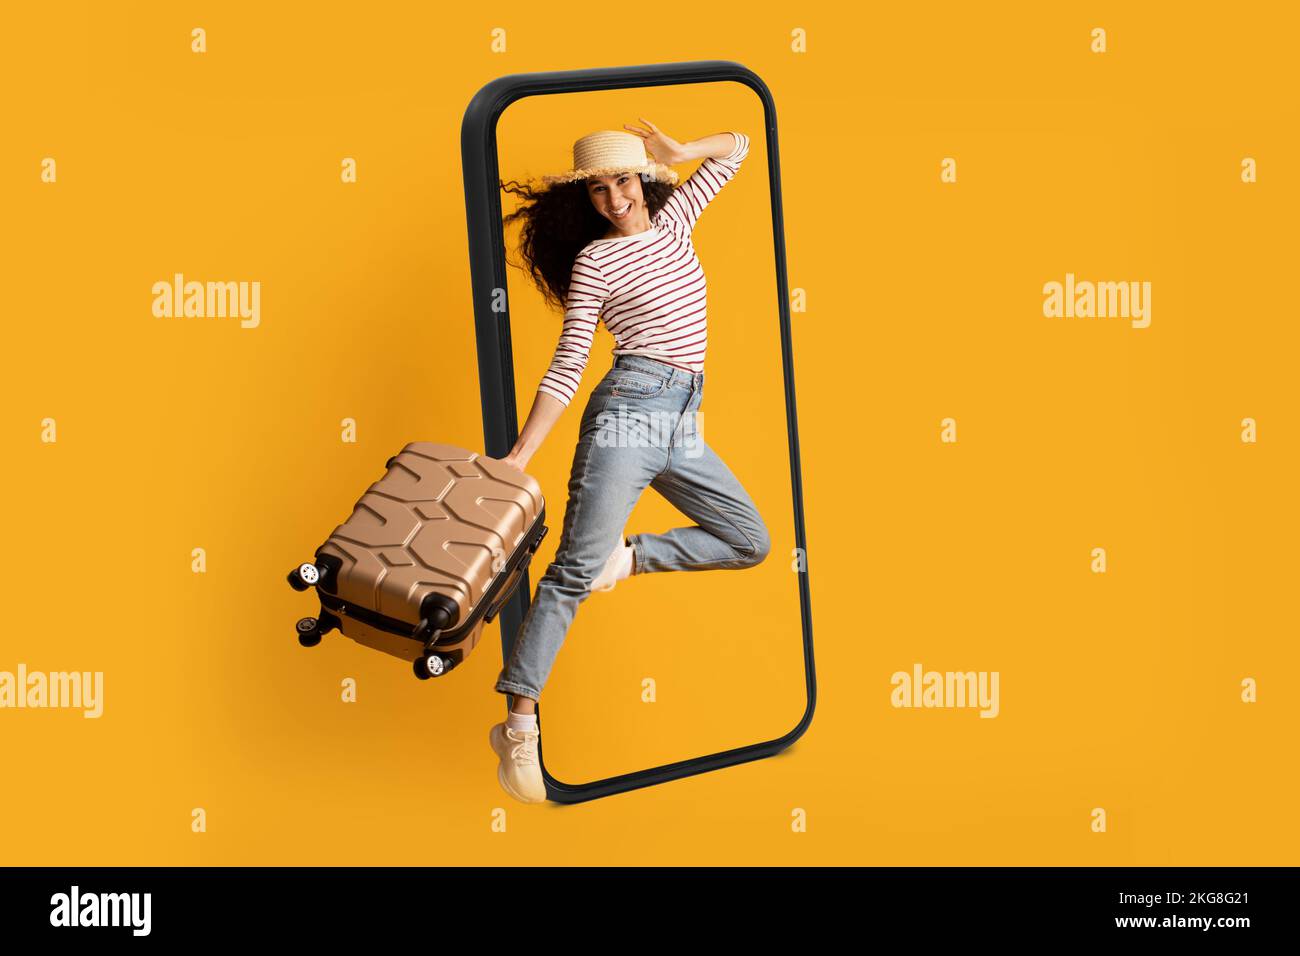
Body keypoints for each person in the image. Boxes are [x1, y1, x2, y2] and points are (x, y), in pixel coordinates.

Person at [489, 118, 771, 803]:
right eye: (598, 191)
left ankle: (632, 557)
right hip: (630, 411)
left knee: (750, 541)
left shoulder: (675, 222)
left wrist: (680, 152)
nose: (614, 200)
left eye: (622, 182)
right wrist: (523, 452)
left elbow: (740, 148)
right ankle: (518, 724)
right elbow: (570, 360)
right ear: (585, 200)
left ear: (642, 181)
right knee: (572, 574)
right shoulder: (597, 262)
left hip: (683, 419)